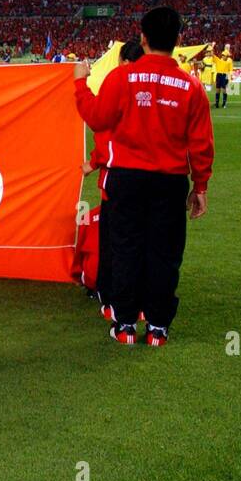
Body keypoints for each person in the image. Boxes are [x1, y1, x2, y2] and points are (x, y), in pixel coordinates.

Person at [74, 7, 214, 347]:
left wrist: (80, 82)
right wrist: (201, 187)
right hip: (169, 181)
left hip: (126, 179)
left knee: (125, 249)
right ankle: (157, 327)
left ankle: (124, 325)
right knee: (164, 253)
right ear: (179, 41)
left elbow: (97, 117)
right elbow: (201, 142)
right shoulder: (191, 86)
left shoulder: (120, 79)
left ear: (142, 37)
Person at [81, 38, 144, 308]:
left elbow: (102, 127)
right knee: (144, 242)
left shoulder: (117, 81)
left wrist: (93, 163)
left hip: (118, 179)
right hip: (158, 180)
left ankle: (111, 300)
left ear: (120, 60)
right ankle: (143, 303)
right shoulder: (157, 86)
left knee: (115, 242)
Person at [211, 44, 233, 108]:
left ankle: (224, 103)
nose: (223, 56)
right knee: (217, 89)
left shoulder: (229, 62)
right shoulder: (218, 60)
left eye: (225, 56)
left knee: (224, 89)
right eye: (223, 55)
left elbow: (231, 70)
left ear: (227, 56)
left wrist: (230, 78)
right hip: (219, 75)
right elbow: (212, 54)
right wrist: (212, 46)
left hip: (225, 75)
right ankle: (217, 103)